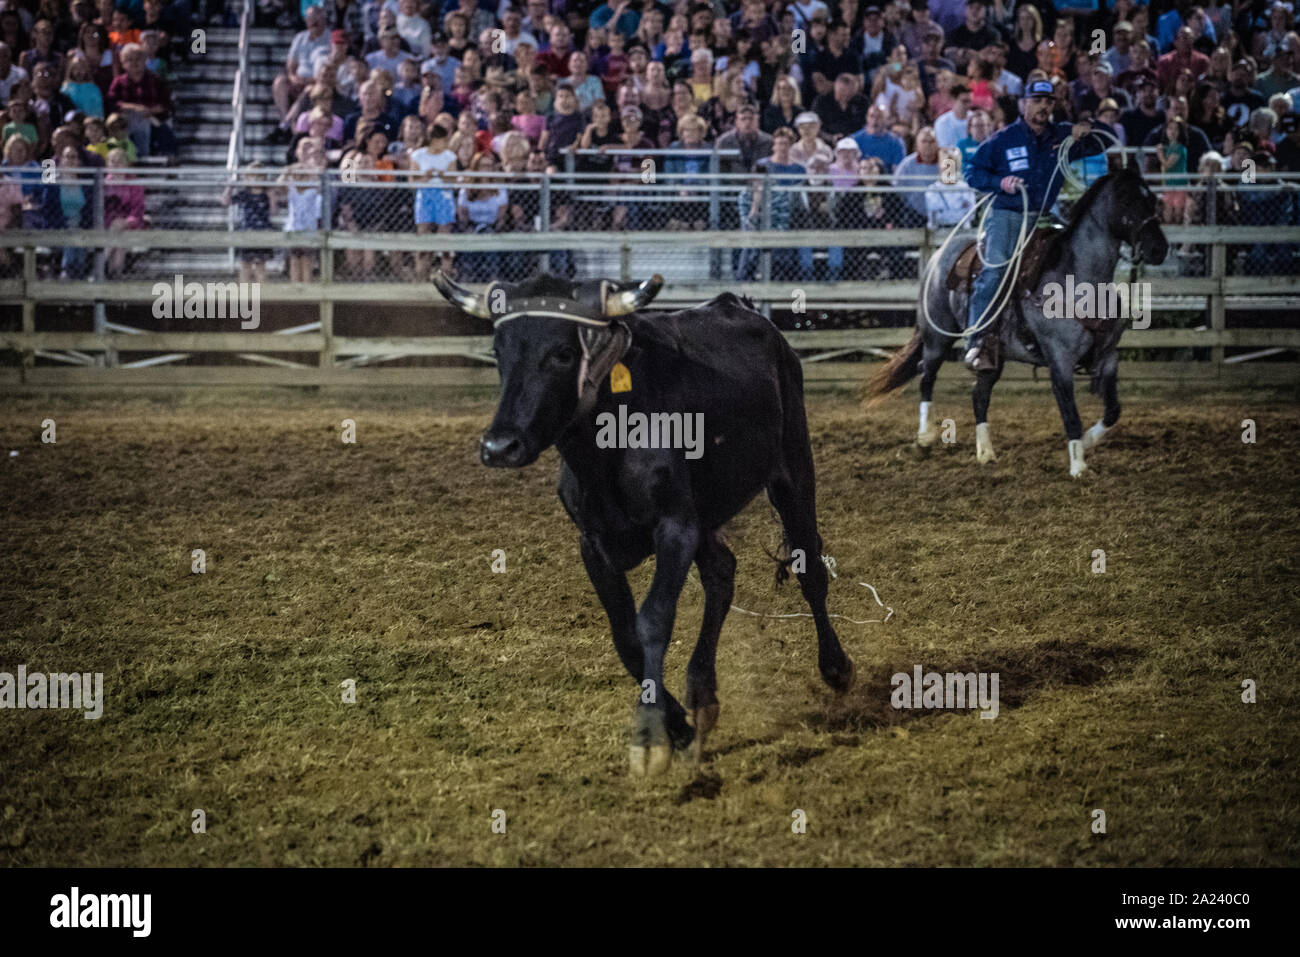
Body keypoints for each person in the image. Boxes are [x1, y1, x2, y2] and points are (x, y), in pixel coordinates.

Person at [962, 78, 1107, 371]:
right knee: (997, 270)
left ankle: (1079, 340)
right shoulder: (1004, 139)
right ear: (1024, 104)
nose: (1043, 107)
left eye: (1048, 102)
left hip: (1045, 215)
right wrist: (1000, 182)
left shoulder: (1063, 136)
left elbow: (1101, 143)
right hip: (1008, 214)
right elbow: (971, 171)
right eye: (1037, 101)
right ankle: (976, 341)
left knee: (1070, 265)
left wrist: (1087, 129)